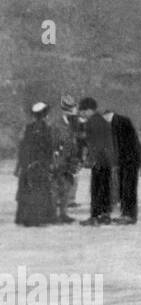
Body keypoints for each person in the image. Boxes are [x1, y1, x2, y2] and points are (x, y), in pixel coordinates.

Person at [14, 103, 56, 227]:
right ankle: (38, 217)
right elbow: (49, 148)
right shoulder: (46, 129)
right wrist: (50, 163)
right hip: (39, 164)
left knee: (27, 190)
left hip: (27, 163)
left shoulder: (28, 128)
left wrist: (19, 165)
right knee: (40, 190)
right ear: (45, 115)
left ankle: (24, 217)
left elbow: (22, 147)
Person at [77, 97, 116, 226]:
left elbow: (94, 143)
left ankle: (95, 216)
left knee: (96, 188)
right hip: (107, 159)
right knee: (105, 187)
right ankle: (105, 215)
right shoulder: (102, 121)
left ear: (88, 110)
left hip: (98, 159)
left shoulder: (91, 122)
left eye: (82, 111)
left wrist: (91, 159)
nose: (81, 114)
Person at [104, 106, 141, 224]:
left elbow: (121, 144)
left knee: (128, 188)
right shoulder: (119, 121)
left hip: (129, 161)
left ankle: (129, 215)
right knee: (125, 188)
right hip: (127, 160)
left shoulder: (120, 122)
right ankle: (126, 214)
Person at [49, 95, 81, 224]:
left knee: (67, 187)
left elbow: (76, 142)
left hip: (70, 160)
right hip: (59, 160)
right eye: (73, 108)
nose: (75, 110)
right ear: (66, 110)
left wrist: (76, 159)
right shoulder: (56, 125)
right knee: (56, 188)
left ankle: (63, 214)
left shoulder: (74, 124)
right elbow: (52, 144)